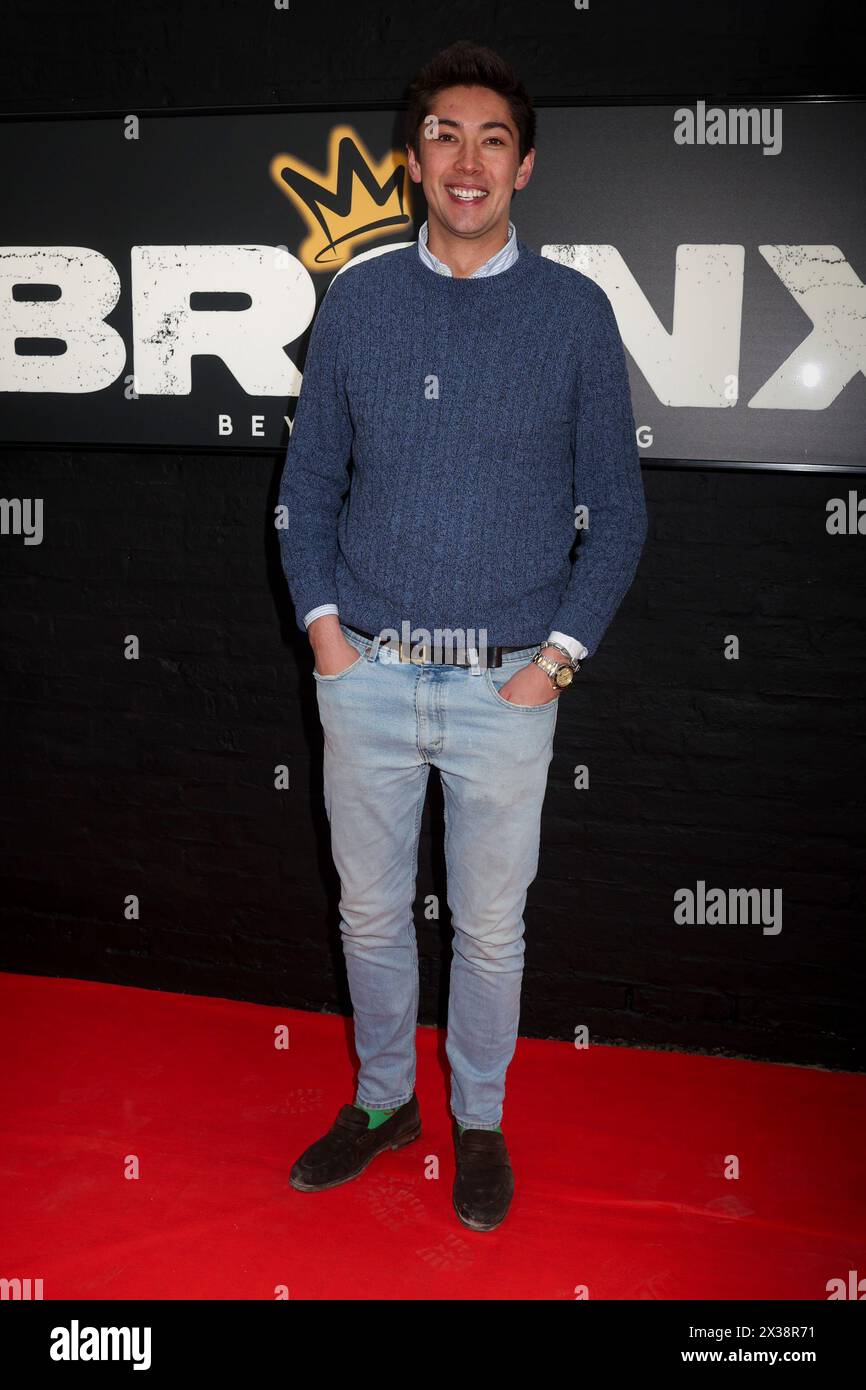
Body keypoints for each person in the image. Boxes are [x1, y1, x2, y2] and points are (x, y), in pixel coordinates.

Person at [277, 39, 647, 1231]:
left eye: (492, 139)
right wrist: (327, 637)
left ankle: (476, 1121)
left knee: (490, 929)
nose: (466, 159)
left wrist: (552, 664)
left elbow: (620, 514)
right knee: (368, 914)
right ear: (412, 160)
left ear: (523, 166)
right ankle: (384, 1105)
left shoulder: (575, 315)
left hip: (503, 691)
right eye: (444, 135)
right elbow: (304, 486)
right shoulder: (360, 300)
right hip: (368, 676)